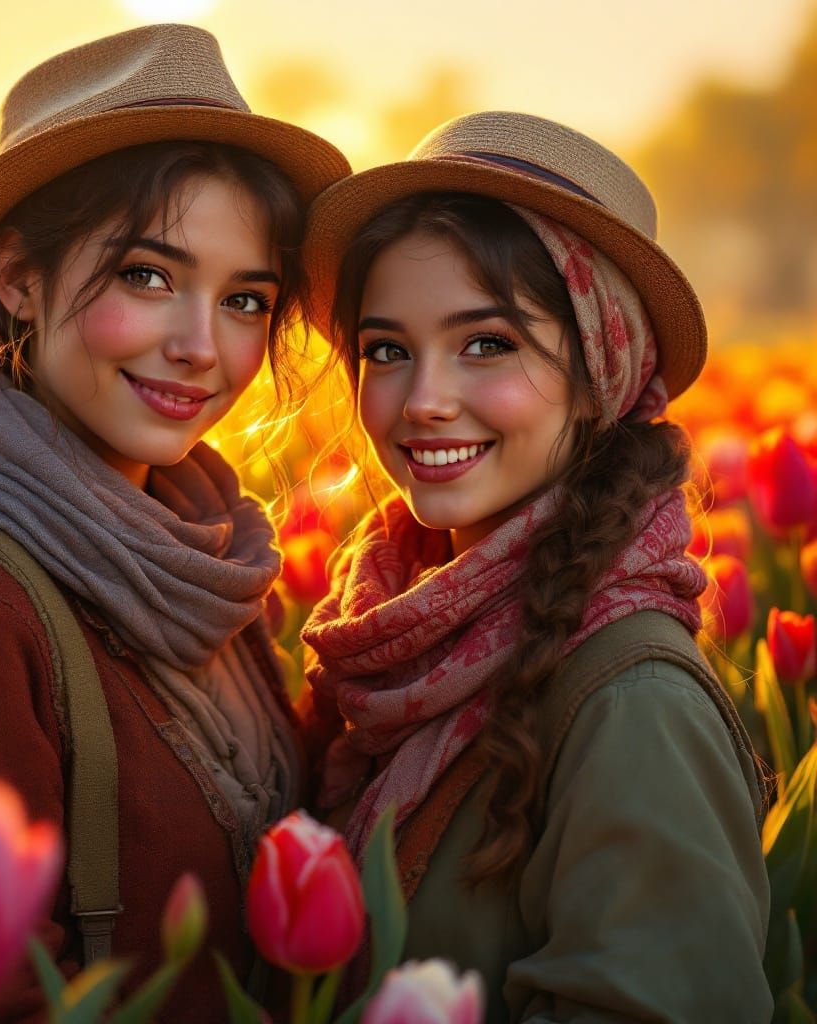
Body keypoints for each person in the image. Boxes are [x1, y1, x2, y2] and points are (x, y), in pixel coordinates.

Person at [0, 24, 349, 1022]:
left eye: (244, 298)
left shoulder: (210, 568)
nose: (201, 345)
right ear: (18, 275)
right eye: (149, 275)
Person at [298, 111, 772, 1021]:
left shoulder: (633, 708)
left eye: (487, 344)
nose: (424, 401)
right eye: (387, 350)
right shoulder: (391, 631)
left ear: (601, 372)